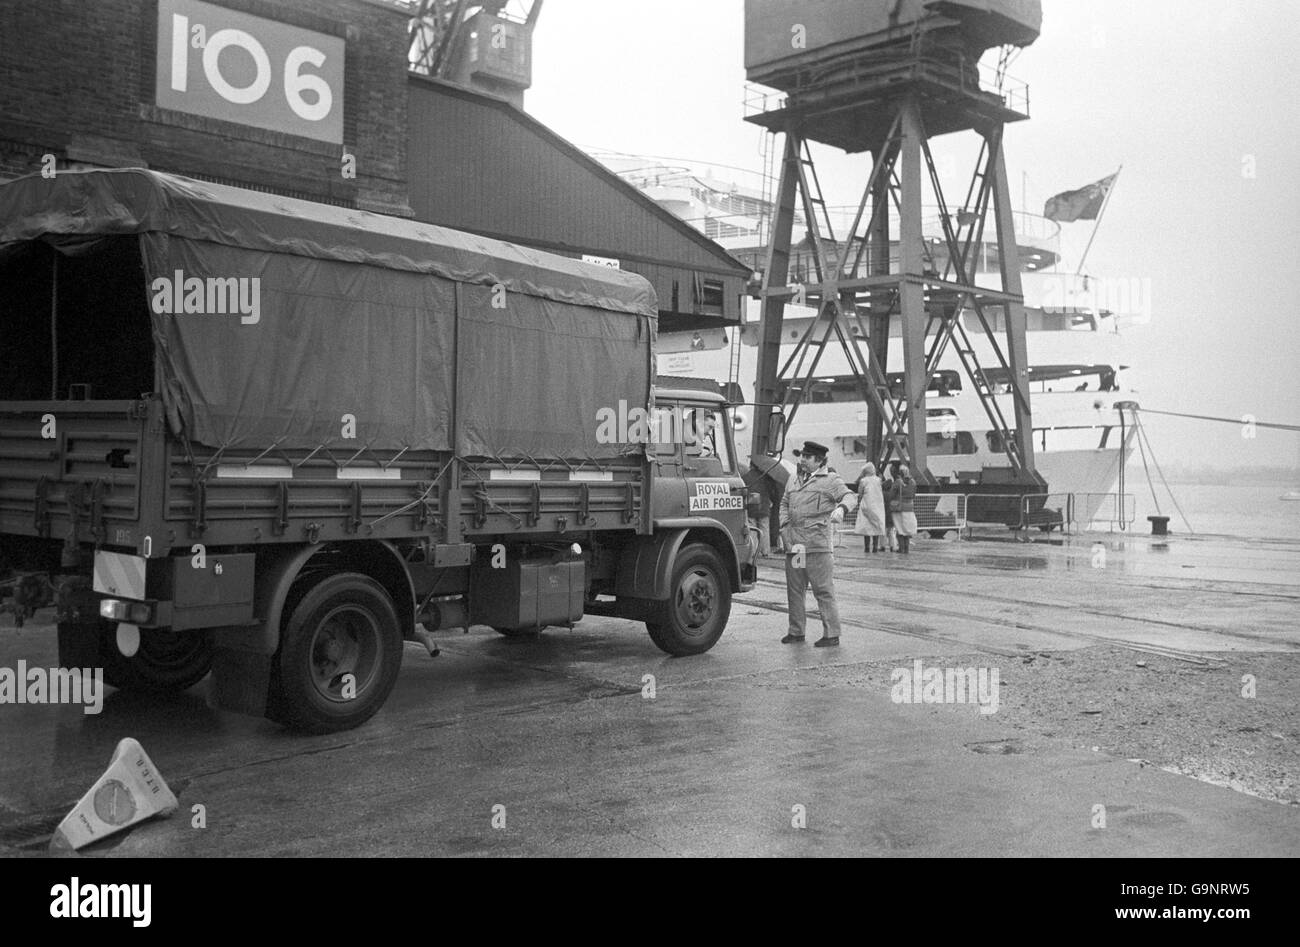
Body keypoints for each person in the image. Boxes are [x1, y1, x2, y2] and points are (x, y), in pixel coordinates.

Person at [779, 441, 856, 647]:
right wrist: (784, 525)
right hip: (796, 546)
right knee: (795, 589)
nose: (802, 460)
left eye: (807, 457)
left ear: (819, 461)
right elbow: (785, 503)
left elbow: (850, 496)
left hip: (817, 545)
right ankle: (796, 631)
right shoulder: (793, 479)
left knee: (823, 590)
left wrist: (841, 509)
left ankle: (831, 634)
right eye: (802, 456)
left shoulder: (831, 480)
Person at [852, 462, 887, 553]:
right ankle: (875, 547)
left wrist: (859, 501)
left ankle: (867, 547)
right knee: (876, 526)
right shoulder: (878, 480)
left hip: (866, 505)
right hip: (878, 506)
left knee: (866, 527)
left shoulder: (863, 480)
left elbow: (860, 493)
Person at [889, 464, 919, 554]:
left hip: (899, 507)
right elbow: (913, 495)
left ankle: (901, 549)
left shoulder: (898, 482)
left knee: (900, 529)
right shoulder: (913, 482)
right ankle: (906, 549)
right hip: (909, 507)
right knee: (907, 530)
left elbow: (891, 495)